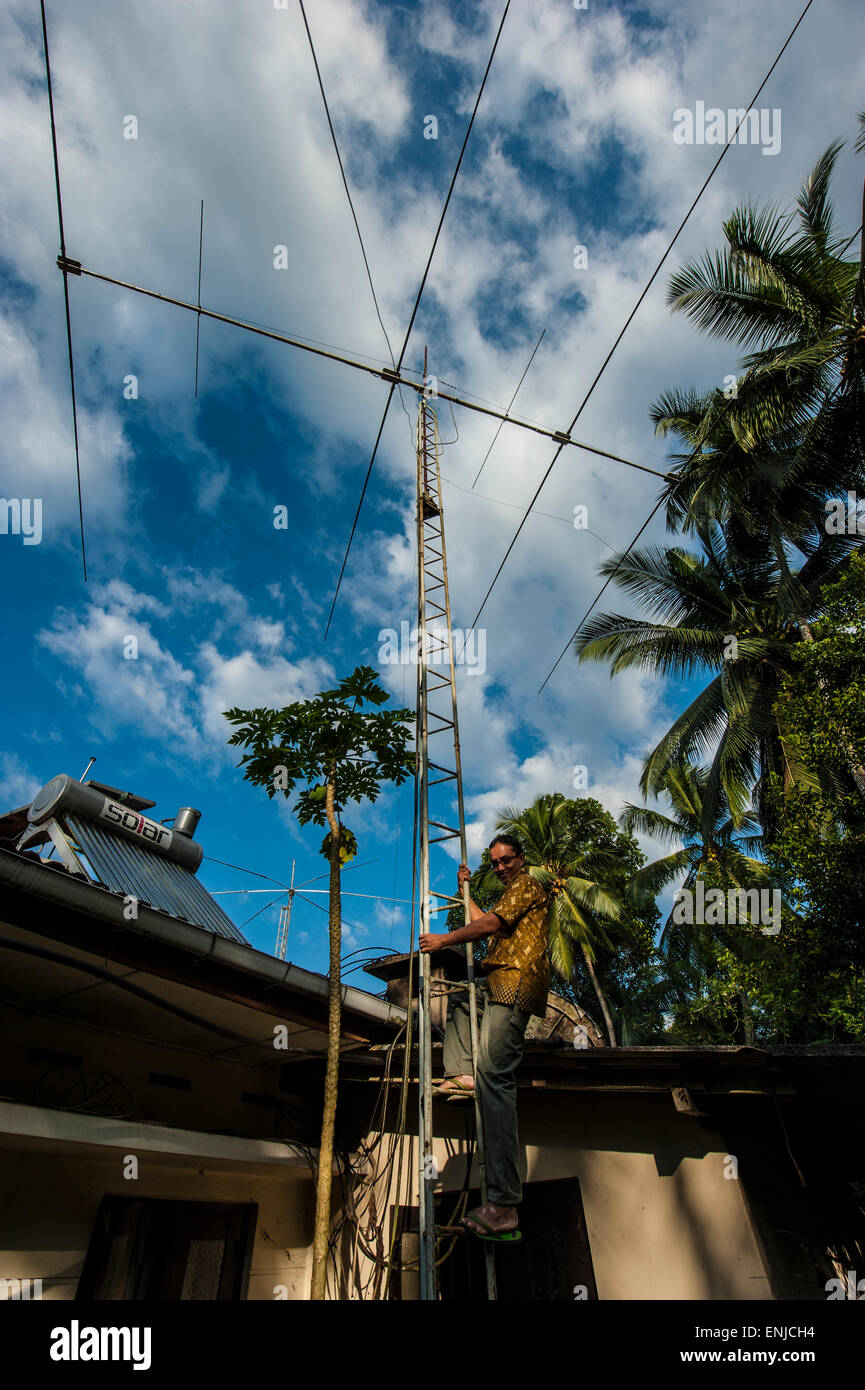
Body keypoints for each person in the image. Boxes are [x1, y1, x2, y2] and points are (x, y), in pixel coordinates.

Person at [418, 834, 549, 1241]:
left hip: (514, 982)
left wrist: (442, 939)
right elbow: (486, 921)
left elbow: (488, 925)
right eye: (494, 863)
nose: (501, 867)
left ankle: (505, 1204)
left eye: (506, 860)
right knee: (461, 1000)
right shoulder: (512, 896)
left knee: (497, 1078)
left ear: (521, 859)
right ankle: (463, 1074)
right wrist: (464, 891)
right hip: (496, 981)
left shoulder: (529, 884)